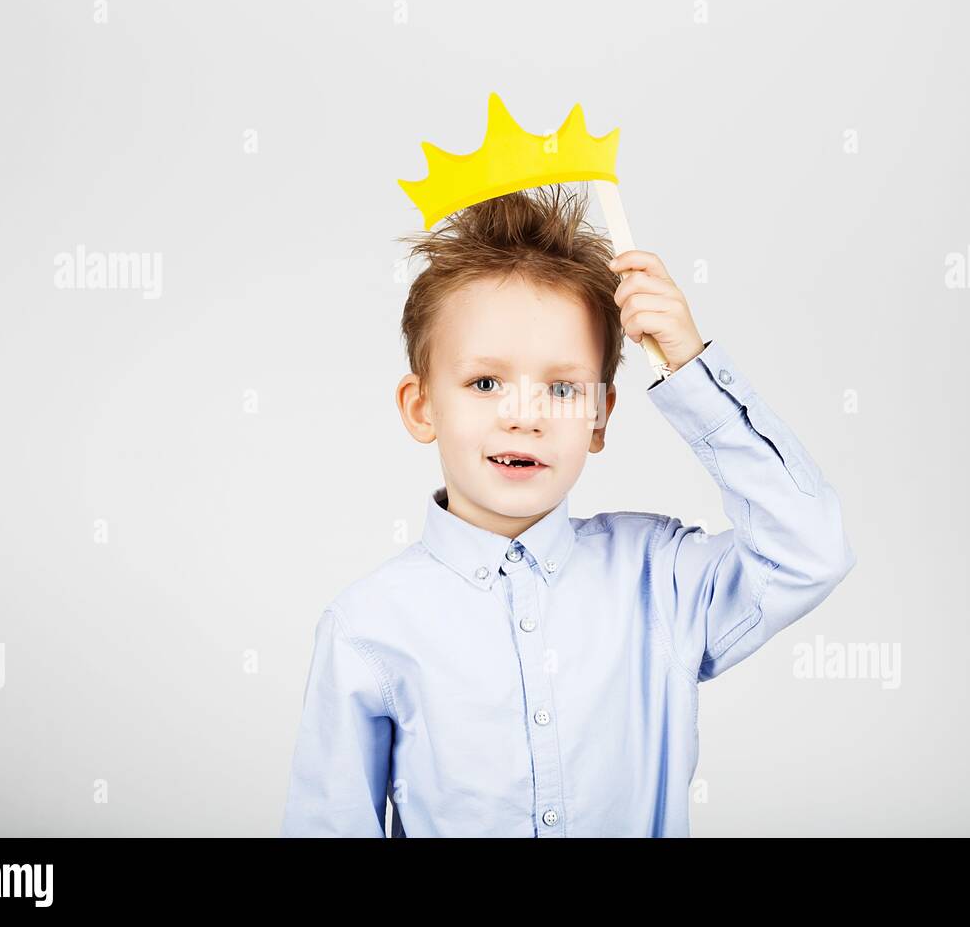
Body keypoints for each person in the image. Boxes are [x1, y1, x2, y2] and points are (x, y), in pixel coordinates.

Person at [280, 184, 856, 836]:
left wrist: (692, 372)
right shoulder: (367, 626)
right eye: (485, 382)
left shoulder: (661, 579)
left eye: (561, 387)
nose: (523, 415)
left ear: (599, 416)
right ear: (421, 407)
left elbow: (810, 548)